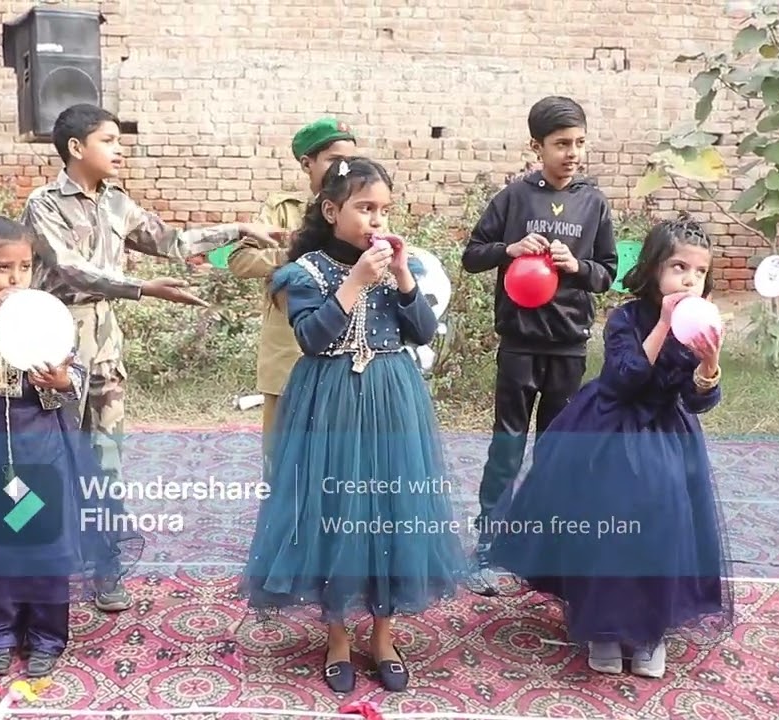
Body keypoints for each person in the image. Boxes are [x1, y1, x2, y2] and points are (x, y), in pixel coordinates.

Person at [20, 103, 279, 613]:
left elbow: (172, 241)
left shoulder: (118, 202)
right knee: (51, 458)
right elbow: (71, 270)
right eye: (110, 140)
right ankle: (40, 565)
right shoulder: (43, 204)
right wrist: (145, 289)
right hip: (54, 345)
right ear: (77, 148)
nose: (121, 150)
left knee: (106, 460)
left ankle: (106, 564)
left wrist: (239, 229)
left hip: (105, 349)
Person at [241, 157, 464, 694]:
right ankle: (338, 636)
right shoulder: (305, 271)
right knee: (334, 511)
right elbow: (313, 338)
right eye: (366, 209)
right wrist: (357, 282)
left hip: (392, 399)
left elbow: (423, 332)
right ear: (332, 209)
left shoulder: (391, 268)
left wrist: (404, 275)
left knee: (391, 510)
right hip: (330, 401)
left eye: (384, 211)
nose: (376, 222)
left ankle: (383, 636)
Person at [487, 216, 733, 679]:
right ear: (654, 268)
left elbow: (698, 400)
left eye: (699, 271)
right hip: (609, 428)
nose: (688, 278)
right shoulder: (626, 318)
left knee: (662, 523)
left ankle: (649, 631)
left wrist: (710, 364)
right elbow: (625, 379)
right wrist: (662, 326)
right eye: (679, 266)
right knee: (608, 526)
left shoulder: (700, 321)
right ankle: (601, 627)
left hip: (664, 434)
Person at [0, 216, 142, 678]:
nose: (15, 278)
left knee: (41, 536)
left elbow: (74, 375)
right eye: (2, 268)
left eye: (23, 267)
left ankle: (46, 635)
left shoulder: (47, 312)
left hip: (40, 439)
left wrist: (62, 380)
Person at [461, 96, 618, 595]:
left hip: (568, 344)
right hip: (519, 343)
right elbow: (471, 255)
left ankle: (547, 547)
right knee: (508, 446)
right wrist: (509, 249)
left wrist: (579, 266)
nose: (572, 153)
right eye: (561, 144)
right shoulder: (513, 198)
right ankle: (488, 545)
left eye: (579, 143)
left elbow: (608, 272)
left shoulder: (594, 203)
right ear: (537, 146)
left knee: (556, 450)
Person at [228, 117, 357, 448]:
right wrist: (299, 259)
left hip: (346, 353)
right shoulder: (282, 211)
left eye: (348, 161)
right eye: (332, 159)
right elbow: (239, 261)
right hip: (289, 351)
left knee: (337, 456)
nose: (342, 169)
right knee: (284, 458)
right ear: (307, 163)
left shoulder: (359, 208)